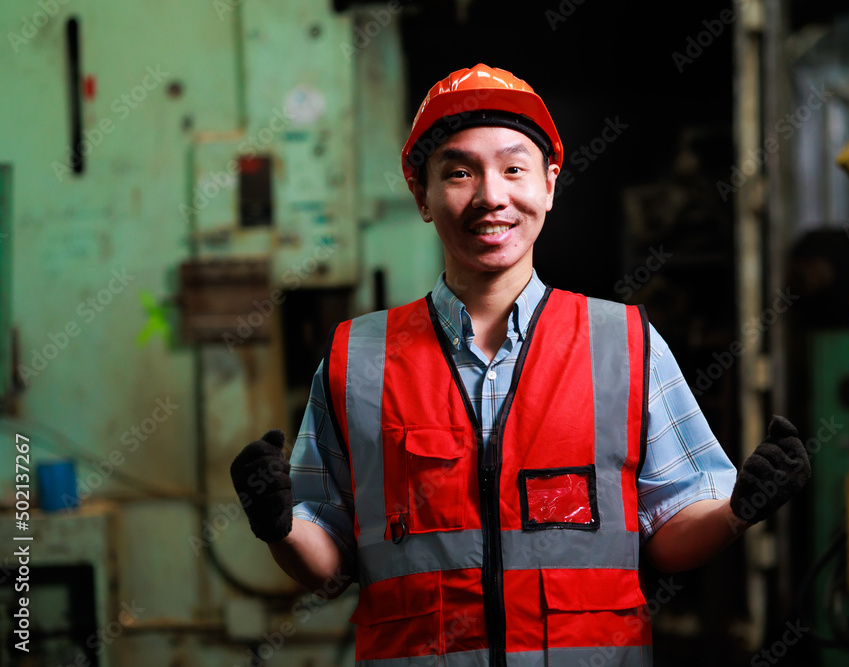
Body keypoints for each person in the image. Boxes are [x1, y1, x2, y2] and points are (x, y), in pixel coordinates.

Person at [231, 63, 810, 665]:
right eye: (459, 172)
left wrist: (738, 510)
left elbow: (669, 535)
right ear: (420, 195)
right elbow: (329, 568)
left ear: (550, 184)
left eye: (513, 168)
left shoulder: (624, 345)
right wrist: (280, 527)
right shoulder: (358, 359)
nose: (492, 196)